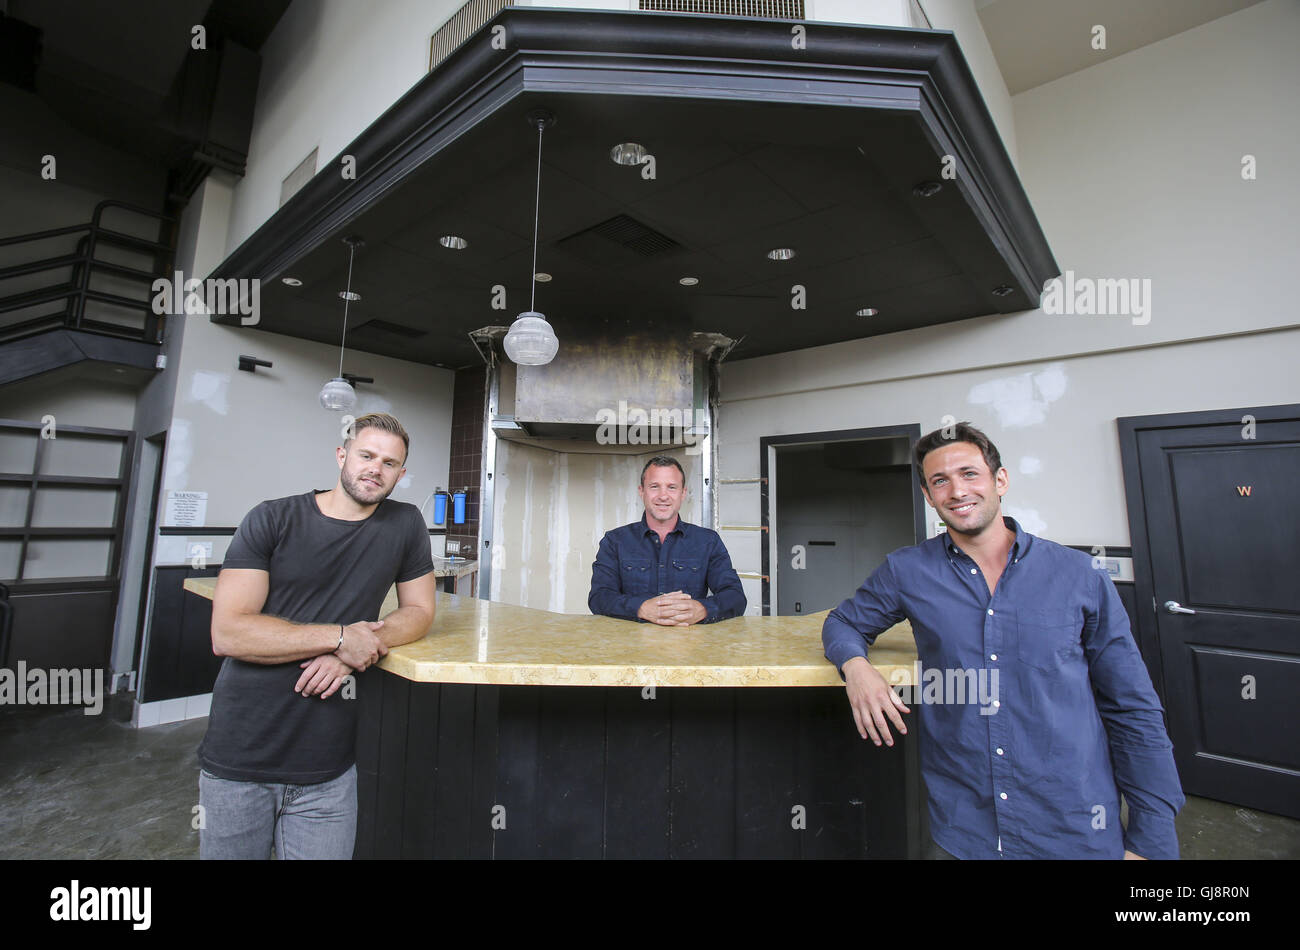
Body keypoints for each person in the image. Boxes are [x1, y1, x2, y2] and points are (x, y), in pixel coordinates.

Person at [821, 422, 1184, 859]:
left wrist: (1152, 837)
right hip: (966, 827)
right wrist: (856, 668)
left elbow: (1132, 706)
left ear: (1000, 480)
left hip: (1074, 824)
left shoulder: (1078, 575)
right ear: (928, 495)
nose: (957, 491)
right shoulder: (907, 571)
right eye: (940, 481)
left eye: (970, 474)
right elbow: (843, 622)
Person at [197, 412, 436, 859]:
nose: (375, 469)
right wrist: (341, 638)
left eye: (389, 463)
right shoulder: (272, 518)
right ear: (343, 455)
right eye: (366, 455)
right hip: (241, 755)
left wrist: (352, 649)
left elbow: (420, 611)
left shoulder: (404, 525)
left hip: (329, 768)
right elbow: (229, 632)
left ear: (401, 475)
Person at [589, 455, 746, 625]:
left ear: (683, 493)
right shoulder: (615, 541)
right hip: (630, 646)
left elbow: (735, 596)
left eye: (672, 487)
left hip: (691, 647)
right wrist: (640, 608)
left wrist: (702, 609)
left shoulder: (708, 541)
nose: (663, 496)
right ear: (642, 491)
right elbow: (599, 597)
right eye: (654, 486)